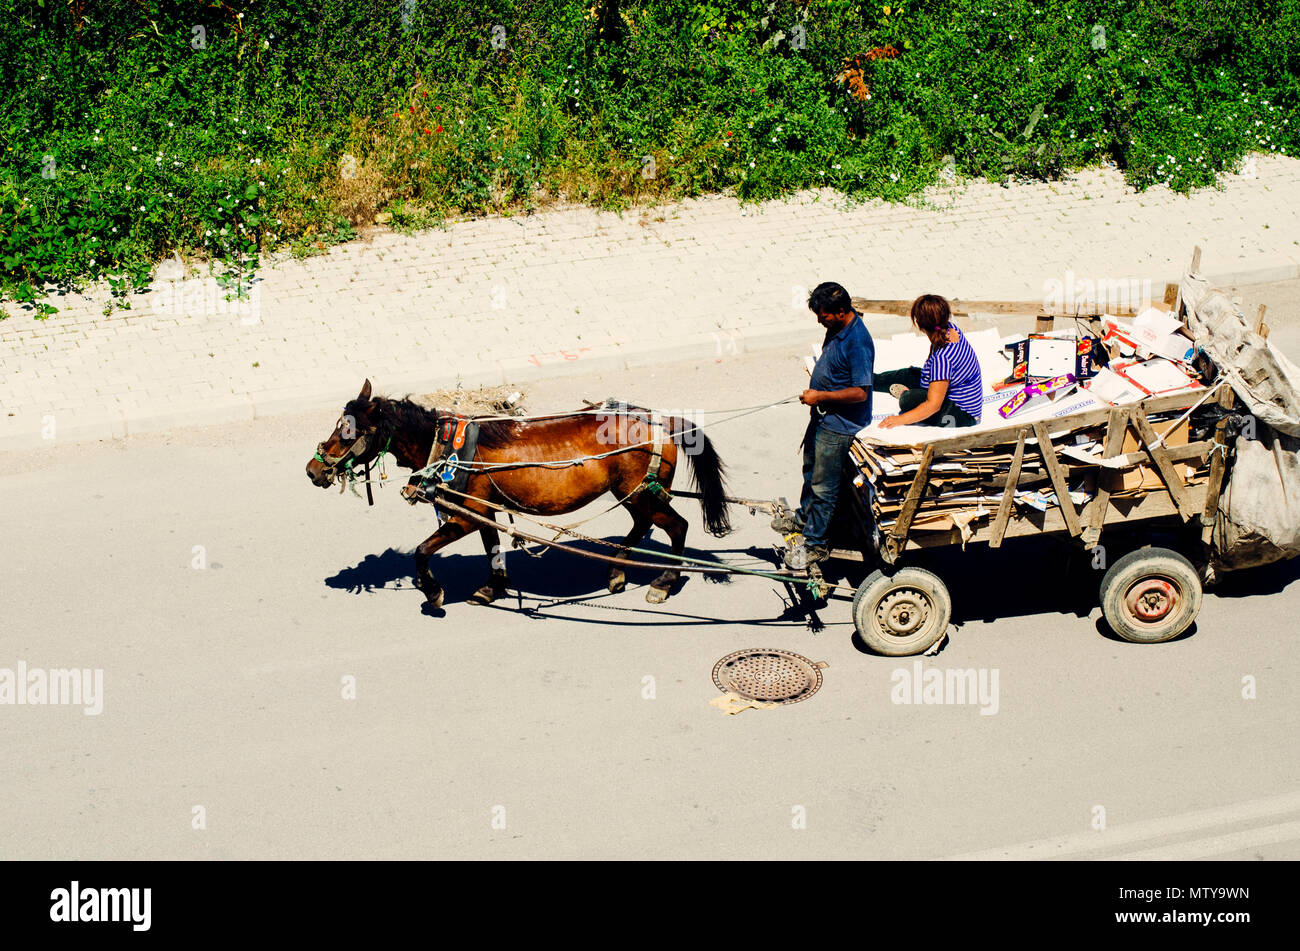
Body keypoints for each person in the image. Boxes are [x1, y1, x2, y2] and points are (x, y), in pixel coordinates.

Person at [772, 282, 875, 569]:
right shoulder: (837, 326)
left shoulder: (858, 342)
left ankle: (816, 544)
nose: (820, 321)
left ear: (841, 312)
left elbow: (860, 392)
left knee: (824, 486)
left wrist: (820, 395)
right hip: (823, 414)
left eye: (824, 316)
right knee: (810, 469)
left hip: (841, 423)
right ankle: (803, 518)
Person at [874, 294, 983, 428]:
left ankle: (904, 393)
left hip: (962, 415)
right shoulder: (951, 329)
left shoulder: (942, 358)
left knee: (909, 399)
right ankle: (866, 380)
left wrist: (899, 419)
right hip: (951, 391)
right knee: (907, 374)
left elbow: (933, 405)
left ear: (919, 324)